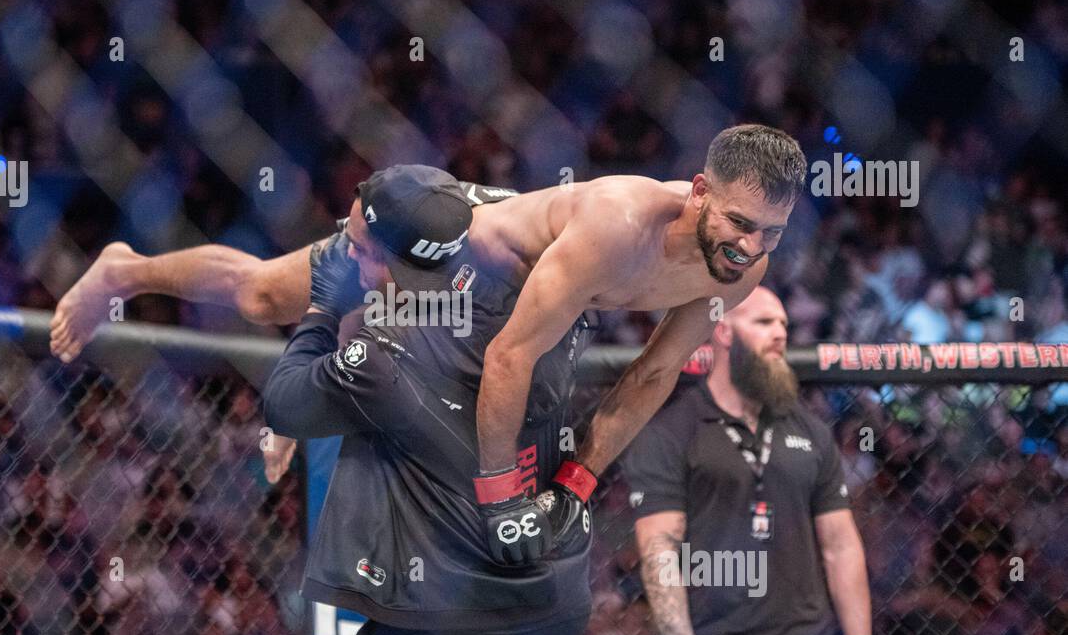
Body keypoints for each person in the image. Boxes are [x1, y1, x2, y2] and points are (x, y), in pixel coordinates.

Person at [50, 124, 807, 513]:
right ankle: (123, 269)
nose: (750, 247)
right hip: (469, 246)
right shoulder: (619, 219)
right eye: (741, 223)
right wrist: (302, 398)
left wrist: (579, 480)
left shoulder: (744, 268)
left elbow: (652, 374)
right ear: (701, 190)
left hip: (528, 301)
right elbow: (412, 285)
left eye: (769, 234)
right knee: (262, 297)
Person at [261, 166, 597, 635]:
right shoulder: (546, 295)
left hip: (441, 615)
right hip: (550, 600)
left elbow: (286, 403)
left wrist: (321, 307)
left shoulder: (385, 352)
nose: (356, 263)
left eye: (362, 252)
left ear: (395, 260)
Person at [624, 287, 877, 635]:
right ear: (722, 331)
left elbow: (841, 545)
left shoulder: (810, 432)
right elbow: (659, 550)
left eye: (784, 324)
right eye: (764, 323)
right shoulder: (673, 431)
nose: (780, 334)